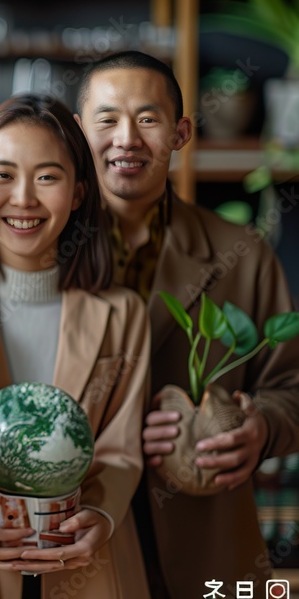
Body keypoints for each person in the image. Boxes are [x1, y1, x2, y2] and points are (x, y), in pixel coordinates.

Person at [75, 50, 299, 599]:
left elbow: (291, 386)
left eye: (148, 119)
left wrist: (261, 428)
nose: (126, 138)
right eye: (107, 119)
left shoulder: (240, 253)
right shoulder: (40, 252)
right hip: (79, 536)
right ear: (78, 132)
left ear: (180, 133)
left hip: (209, 539)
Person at [0, 93, 151, 598]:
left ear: (80, 191)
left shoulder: (123, 311)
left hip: (91, 561)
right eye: (2, 175)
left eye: (48, 177)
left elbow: (121, 449)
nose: (24, 198)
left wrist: (102, 516)